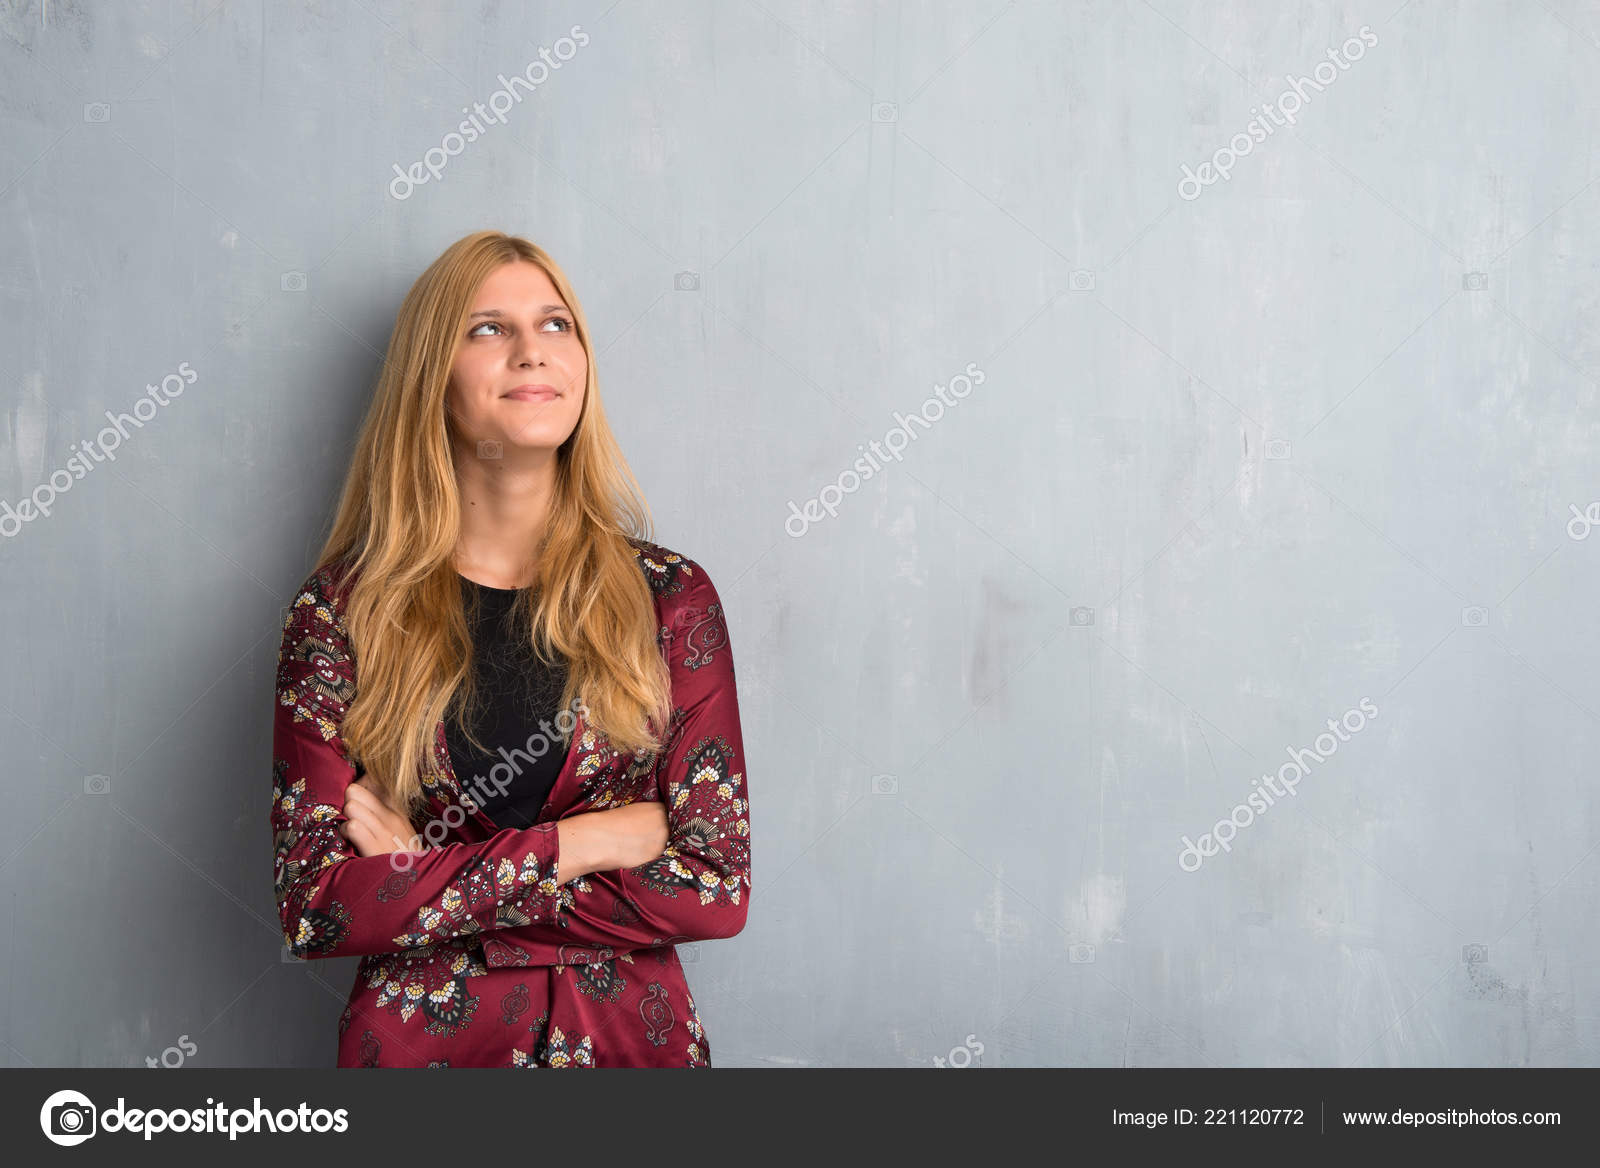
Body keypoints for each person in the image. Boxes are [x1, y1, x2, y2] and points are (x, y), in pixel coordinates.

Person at [270, 229, 750, 1067]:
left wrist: (431, 877)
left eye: (556, 324)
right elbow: (319, 906)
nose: (533, 350)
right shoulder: (340, 614)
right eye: (487, 328)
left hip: (632, 1051)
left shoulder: (670, 599)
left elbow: (716, 891)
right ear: (432, 375)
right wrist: (584, 844)